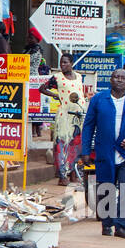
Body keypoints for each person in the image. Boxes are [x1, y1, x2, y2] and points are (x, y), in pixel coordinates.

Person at [81, 68, 125, 239]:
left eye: (123, 78)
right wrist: (85, 150)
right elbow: (88, 126)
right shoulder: (98, 100)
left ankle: (121, 227)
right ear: (110, 80)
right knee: (105, 189)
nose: (119, 80)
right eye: (116, 77)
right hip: (104, 152)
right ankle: (107, 224)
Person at [41, 53, 86, 185]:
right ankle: (62, 176)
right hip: (64, 117)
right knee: (62, 146)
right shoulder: (57, 78)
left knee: (76, 146)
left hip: (77, 117)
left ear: (72, 63)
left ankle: (73, 174)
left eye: (65, 62)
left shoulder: (78, 77)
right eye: (61, 63)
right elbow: (42, 88)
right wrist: (55, 96)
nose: (63, 65)